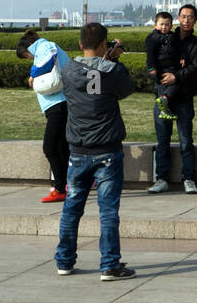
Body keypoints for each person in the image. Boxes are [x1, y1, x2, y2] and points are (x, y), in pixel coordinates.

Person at [55, 22, 136, 280]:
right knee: (108, 210)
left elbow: (88, 80)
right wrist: (112, 60)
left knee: (72, 207)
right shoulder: (112, 71)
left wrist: (103, 59)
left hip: (78, 150)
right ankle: (110, 264)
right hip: (107, 150)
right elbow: (126, 88)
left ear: (80, 44)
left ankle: (64, 261)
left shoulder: (68, 71)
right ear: (104, 44)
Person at [149, 3, 197, 194]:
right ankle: (161, 178)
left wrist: (176, 76)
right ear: (178, 18)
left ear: (195, 20)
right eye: (183, 16)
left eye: (190, 17)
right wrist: (156, 76)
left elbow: (195, 67)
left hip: (183, 98)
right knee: (162, 140)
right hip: (162, 96)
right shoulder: (166, 37)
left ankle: (188, 178)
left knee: (186, 140)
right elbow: (152, 59)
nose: (186, 20)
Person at [16, 28, 71, 203]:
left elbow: (48, 63)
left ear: (28, 49)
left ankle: (61, 188)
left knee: (50, 147)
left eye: (27, 57)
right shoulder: (44, 47)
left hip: (58, 104)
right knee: (61, 147)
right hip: (59, 104)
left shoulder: (45, 46)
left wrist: (33, 75)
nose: (30, 60)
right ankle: (66, 185)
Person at [145, 11, 182, 121]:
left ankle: (164, 107)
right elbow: (150, 55)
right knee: (164, 84)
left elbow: (179, 50)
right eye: (161, 24)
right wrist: (152, 68)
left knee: (175, 81)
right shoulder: (151, 38)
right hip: (159, 68)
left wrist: (183, 57)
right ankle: (164, 107)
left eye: (167, 24)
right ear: (155, 25)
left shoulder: (174, 37)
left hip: (172, 67)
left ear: (171, 26)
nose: (164, 27)